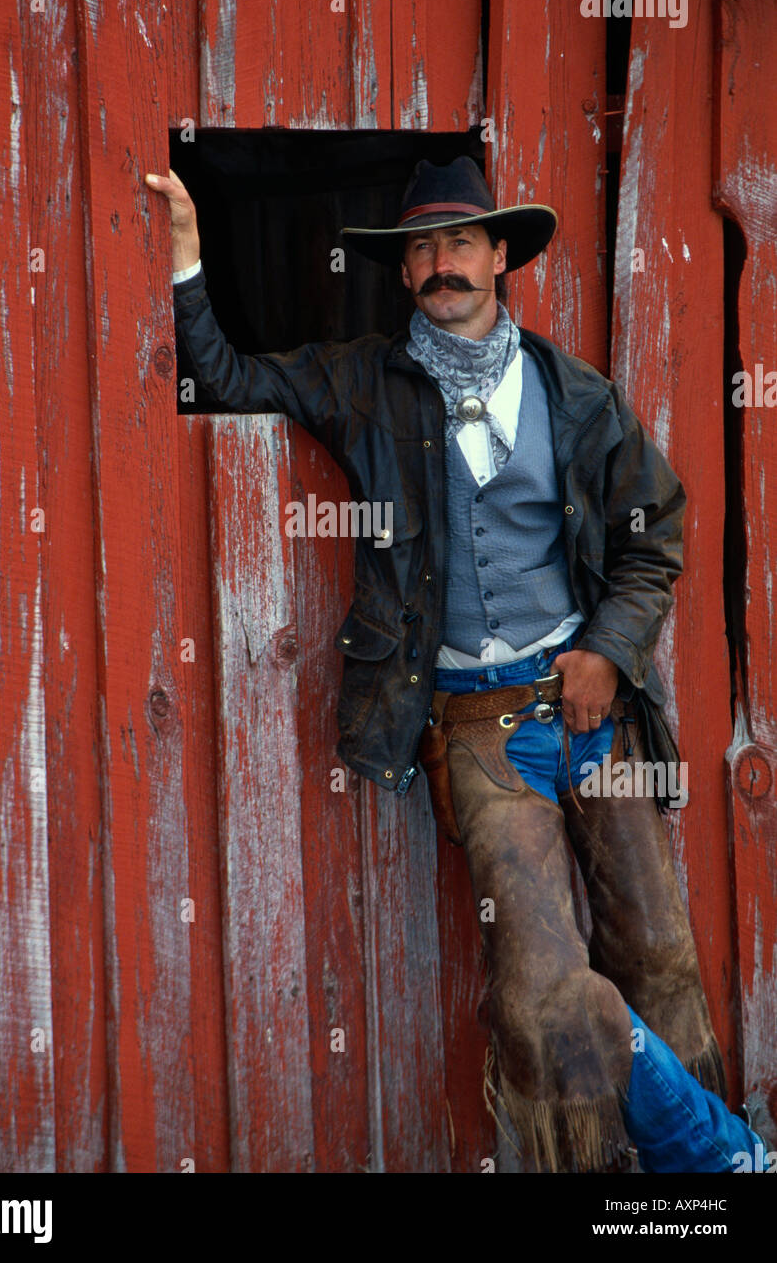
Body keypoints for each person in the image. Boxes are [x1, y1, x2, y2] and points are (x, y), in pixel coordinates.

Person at [145, 156, 770, 1173]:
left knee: (660, 956)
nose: (442, 264)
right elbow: (226, 377)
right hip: (477, 733)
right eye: (423, 248)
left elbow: (653, 535)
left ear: (501, 256)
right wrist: (185, 252)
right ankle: (698, 1164)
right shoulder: (363, 383)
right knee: (550, 989)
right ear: (401, 274)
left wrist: (609, 651)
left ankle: (700, 1178)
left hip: (588, 715)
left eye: (462, 243)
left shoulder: (575, 396)